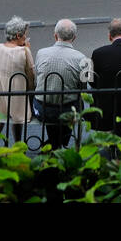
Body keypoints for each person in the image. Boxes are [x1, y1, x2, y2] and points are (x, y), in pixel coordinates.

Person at [33, 19, 92, 148]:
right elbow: (84, 89)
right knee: (73, 104)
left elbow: (38, 79)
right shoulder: (83, 59)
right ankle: (59, 143)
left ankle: (54, 144)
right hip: (68, 109)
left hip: (42, 109)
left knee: (51, 106)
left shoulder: (41, 53)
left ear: (55, 35)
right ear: (74, 38)